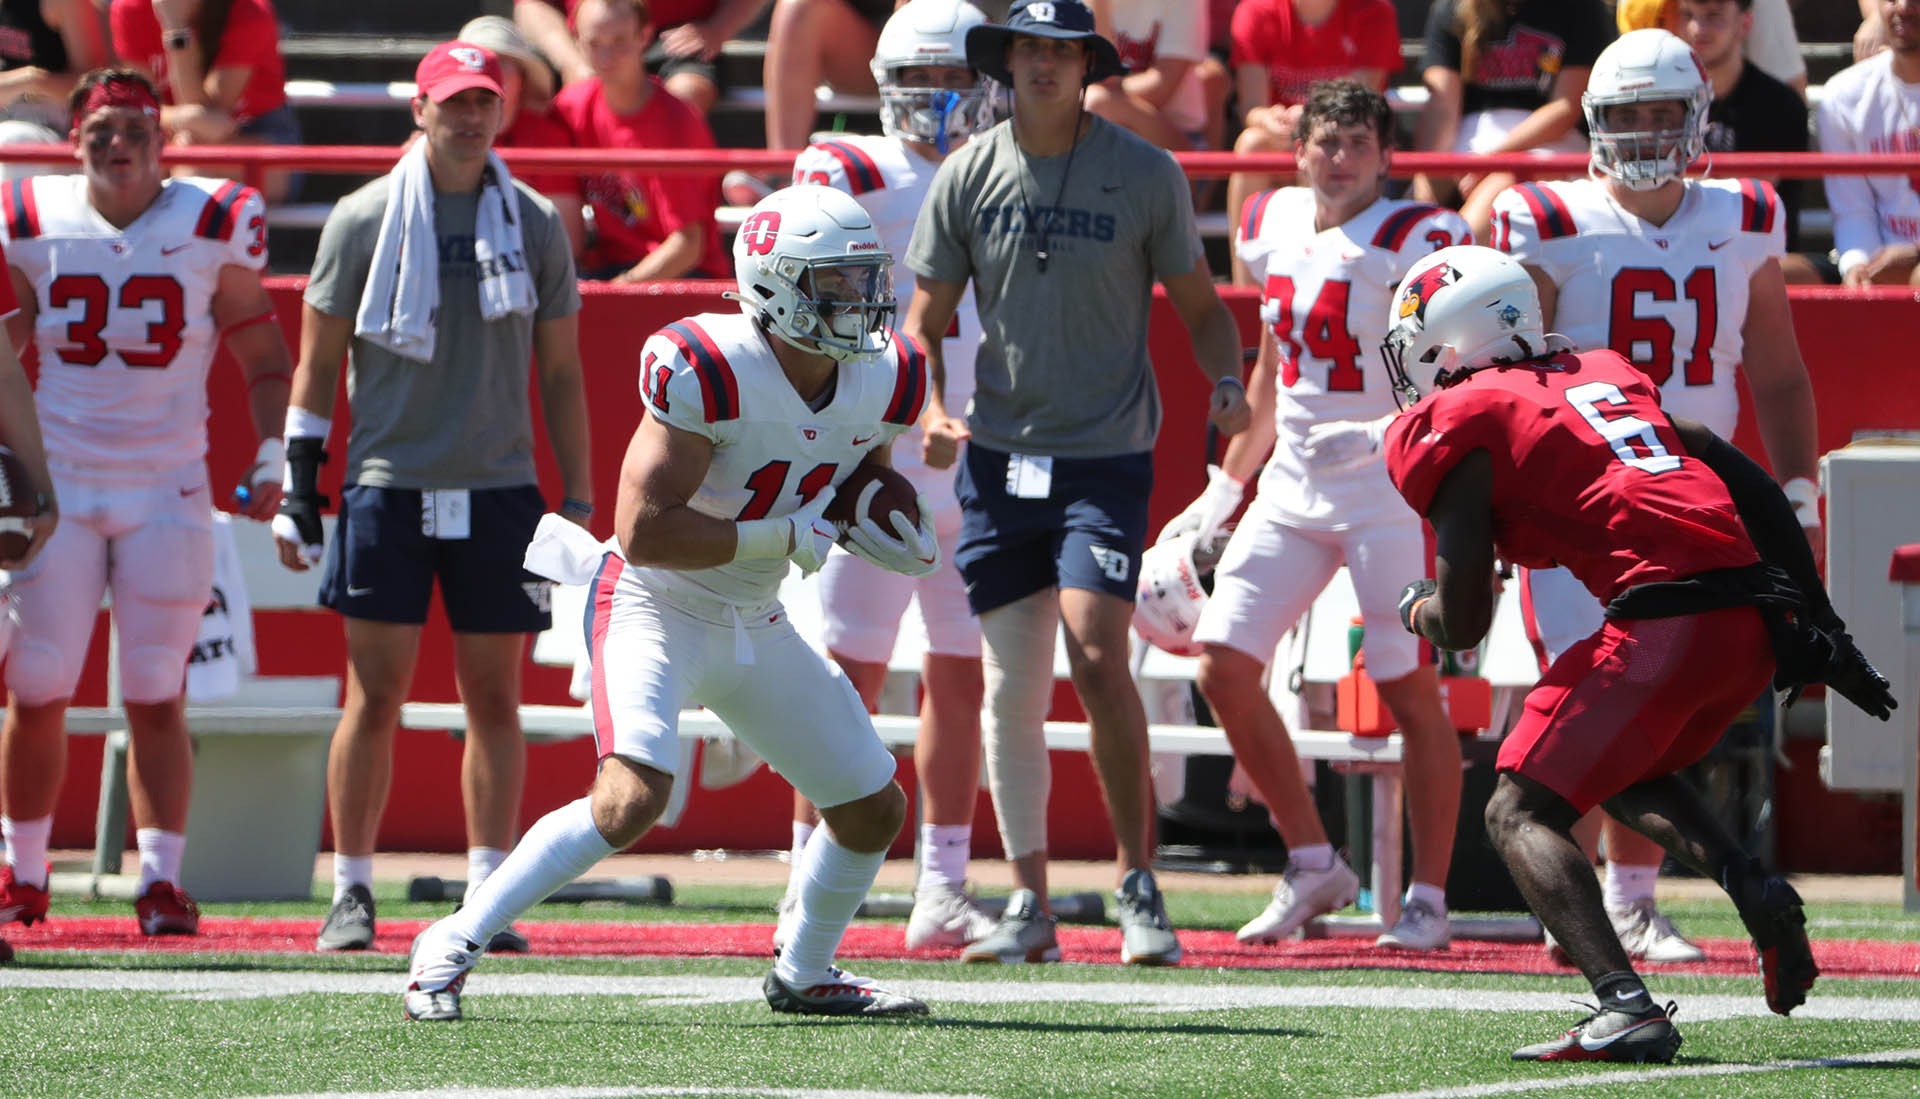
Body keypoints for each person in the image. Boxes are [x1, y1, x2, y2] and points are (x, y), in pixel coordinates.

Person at [402, 183, 941, 1022]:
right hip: (654, 600)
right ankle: (453, 940)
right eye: (836, 285)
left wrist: (881, 508)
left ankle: (805, 970)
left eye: (867, 278)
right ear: (775, 285)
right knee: (630, 798)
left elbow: (855, 465)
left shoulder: (891, 373)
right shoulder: (710, 366)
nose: (863, 301)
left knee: (873, 807)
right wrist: (785, 535)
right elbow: (645, 529)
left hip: (755, 613)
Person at [1378, 243, 1894, 1062]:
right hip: (1749, 619)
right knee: (1607, 761)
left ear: (1444, 344)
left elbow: (1465, 618)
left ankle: (1625, 1005)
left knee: (1518, 808)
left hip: (1668, 619)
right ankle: (1748, 883)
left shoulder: (1461, 419)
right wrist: (1818, 625)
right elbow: (1752, 486)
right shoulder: (1601, 372)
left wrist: (1417, 611)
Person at [903, 0, 1252, 967]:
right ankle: (1029, 902)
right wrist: (930, 407)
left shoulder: (1145, 171)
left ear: (1089, 64)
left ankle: (1140, 884)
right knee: (1012, 685)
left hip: (1103, 455)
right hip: (997, 453)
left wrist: (1225, 380)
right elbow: (923, 318)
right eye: (1029, 48)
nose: (1044, 65)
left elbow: (1203, 307)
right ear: (1005, 60)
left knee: (1098, 653)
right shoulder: (966, 174)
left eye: (1062, 50)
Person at [1489, 28, 1822, 965]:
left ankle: (1630, 898)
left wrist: (1797, 492)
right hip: (1586, 502)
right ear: (1591, 121)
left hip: (1699, 503)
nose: (1641, 131)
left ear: (1698, 117)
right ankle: (1587, 896)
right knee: (1597, 698)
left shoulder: (1746, 212)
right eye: (1624, 115)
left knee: (1660, 702)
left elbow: (1782, 374)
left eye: (1660, 113)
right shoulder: (1544, 216)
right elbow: (1509, 377)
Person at [277, 41, 592, 955]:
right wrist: (302, 485)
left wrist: (573, 497)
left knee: (494, 696)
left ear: (502, 112)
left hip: (498, 484)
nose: (468, 117)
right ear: (418, 109)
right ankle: (352, 889)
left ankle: (488, 890)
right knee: (372, 695)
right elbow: (316, 360)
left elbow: (563, 372)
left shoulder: (531, 219)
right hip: (388, 481)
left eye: (483, 101)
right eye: (452, 101)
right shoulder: (364, 215)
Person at [1150, 79, 1469, 953]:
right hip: (1291, 483)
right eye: (1324, 142)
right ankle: (1313, 858)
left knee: (1409, 689)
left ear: (1386, 155)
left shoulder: (1418, 238)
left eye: (1356, 143)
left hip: (1386, 491)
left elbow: (1457, 375)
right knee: (1221, 663)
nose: (1338, 158)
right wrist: (1225, 486)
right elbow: (1271, 368)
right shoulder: (1274, 222)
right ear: (1298, 150)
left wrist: (1378, 431)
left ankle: (1430, 897)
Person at [0, 67, 291, 938]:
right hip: (63, 482)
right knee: (38, 681)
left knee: (158, 689)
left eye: (134, 127)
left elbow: (262, 348)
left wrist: (276, 448)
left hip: (169, 482)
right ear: (74, 141)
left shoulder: (212, 219)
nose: (117, 144)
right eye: (100, 130)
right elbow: (5, 342)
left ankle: (160, 879)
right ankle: (22, 872)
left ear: (163, 138)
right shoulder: (30, 218)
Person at [775, 0, 999, 955]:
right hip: (872, 452)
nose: (942, 103)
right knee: (839, 676)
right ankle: (806, 878)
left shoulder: (1008, 170)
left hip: (984, 450)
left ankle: (942, 885)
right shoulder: (845, 169)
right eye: (926, 83)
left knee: (962, 673)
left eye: (956, 83)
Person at [1221, 0, 1402, 284]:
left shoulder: (1374, 11)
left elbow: (1359, 108)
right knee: (1251, 143)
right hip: (1286, 142)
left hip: (1341, 147)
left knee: (1325, 149)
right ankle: (1243, 288)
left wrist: (1309, 123)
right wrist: (1270, 119)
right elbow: (1252, 107)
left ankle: (1320, 282)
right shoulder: (1255, 11)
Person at [1410, 0, 1614, 244]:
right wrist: (1429, 175)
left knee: (1503, 183)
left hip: (1547, 143)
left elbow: (1565, 109)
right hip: (1471, 144)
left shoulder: (1581, 8)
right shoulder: (1452, 9)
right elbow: (1441, 106)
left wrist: (1493, 160)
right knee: (1421, 197)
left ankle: (1445, 265)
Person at [555, 0, 723, 282]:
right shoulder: (572, 106)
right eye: (594, 43)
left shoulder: (676, 121)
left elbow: (688, 246)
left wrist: (622, 287)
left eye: (619, 41)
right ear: (578, 42)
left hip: (684, 277)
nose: (606, 57)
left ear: (644, 36)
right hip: (611, 268)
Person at [1676, 0, 1817, 281]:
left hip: (1758, 255)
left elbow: (1746, 202)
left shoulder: (1780, 104)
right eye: (1688, 15)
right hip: (1674, 253)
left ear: (1746, 24)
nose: (1697, 28)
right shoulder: (1665, 103)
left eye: (1714, 16)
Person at [108, 0, 300, 203]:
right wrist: (181, 119)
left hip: (258, 136)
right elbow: (141, 107)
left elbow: (208, 118)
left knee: (193, 166)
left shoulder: (250, 10)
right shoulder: (130, 8)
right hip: (168, 137)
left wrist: (176, 29)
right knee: (123, 166)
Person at [458, 15, 589, 261]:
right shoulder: (438, 138)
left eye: (503, 62)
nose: (492, 74)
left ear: (523, 80)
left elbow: (567, 245)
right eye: (481, 63)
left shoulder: (548, 139)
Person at [513, 0, 773, 113]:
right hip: (581, 42)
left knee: (686, 95)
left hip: (677, 37)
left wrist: (720, 27)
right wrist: (572, 63)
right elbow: (530, 4)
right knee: (512, 83)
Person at [1818, 0, 1920, 288]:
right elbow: (1852, 208)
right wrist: (1858, 266)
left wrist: (1914, 254)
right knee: (1777, 275)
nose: (1903, 6)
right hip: (1879, 257)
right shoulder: (1845, 95)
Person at [1082, 0, 1210, 153]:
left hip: (1178, 138)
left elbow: (1159, 89)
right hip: (1101, 127)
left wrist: (1103, 91)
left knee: (1097, 103)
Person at [0, 0, 111, 139]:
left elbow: (94, 84)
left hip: (56, 125)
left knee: (10, 138)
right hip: (10, 114)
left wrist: (32, 81)